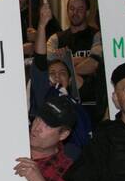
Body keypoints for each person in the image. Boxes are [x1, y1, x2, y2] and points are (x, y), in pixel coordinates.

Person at [31, 23, 92, 159]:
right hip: (47, 158)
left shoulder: (78, 106)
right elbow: (40, 61)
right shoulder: (45, 96)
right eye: (52, 72)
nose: (57, 76)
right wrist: (42, 25)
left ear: (71, 80)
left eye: (62, 72)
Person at [44, 0, 106, 123]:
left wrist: (65, 63)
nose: (75, 13)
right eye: (71, 9)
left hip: (92, 104)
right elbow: (47, 63)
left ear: (87, 12)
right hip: (63, 105)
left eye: (80, 9)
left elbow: (93, 64)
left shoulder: (98, 35)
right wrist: (79, 60)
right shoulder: (56, 38)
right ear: (67, 11)